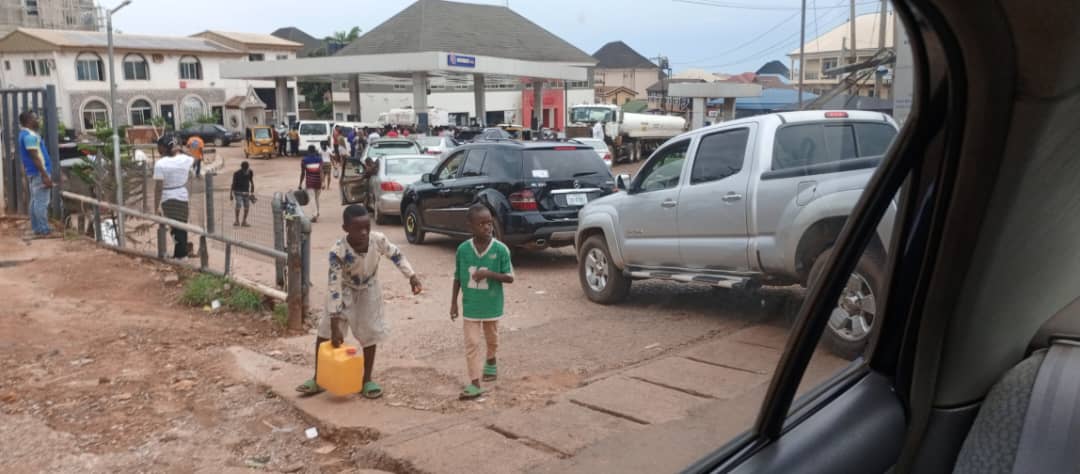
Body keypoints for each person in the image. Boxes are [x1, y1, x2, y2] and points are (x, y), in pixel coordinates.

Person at [294, 204, 423, 398]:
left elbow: (396, 255)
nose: (364, 232)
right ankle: (318, 378)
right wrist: (336, 323)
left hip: (369, 289)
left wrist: (411, 276)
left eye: (367, 227)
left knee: (369, 332)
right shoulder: (338, 251)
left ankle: (367, 380)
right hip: (344, 290)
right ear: (345, 228)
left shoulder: (377, 240)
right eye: (358, 228)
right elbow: (334, 287)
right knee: (325, 332)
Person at [450, 204, 515, 400]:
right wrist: (453, 302)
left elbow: (510, 277)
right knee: (472, 343)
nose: (487, 227)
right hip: (471, 305)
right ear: (470, 226)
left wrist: (488, 274)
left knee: (492, 338)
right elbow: (458, 277)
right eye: (482, 224)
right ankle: (475, 382)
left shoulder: (501, 249)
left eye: (489, 223)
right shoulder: (463, 250)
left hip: (492, 305)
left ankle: (491, 360)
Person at [153, 135, 195, 259]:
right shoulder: (185, 159)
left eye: (159, 147)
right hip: (182, 195)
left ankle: (181, 256)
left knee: (175, 228)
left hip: (168, 197)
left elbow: (158, 187)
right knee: (181, 225)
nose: (158, 150)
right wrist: (180, 150)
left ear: (165, 148)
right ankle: (181, 254)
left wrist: (156, 206)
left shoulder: (160, 164)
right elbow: (195, 158)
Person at [18, 110, 53, 237]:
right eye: (35, 118)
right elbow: (35, 157)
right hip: (39, 173)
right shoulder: (29, 137)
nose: (37, 120)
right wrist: (44, 175)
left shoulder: (26, 134)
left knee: (35, 200)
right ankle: (43, 230)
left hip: (35, 172)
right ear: (28, 121)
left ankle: (37, 228)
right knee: (41, 202)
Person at [299, 145, 323, 222]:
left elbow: (303, 173)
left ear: (308, 151)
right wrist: (323, 182)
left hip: (310, 182)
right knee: (316, 198)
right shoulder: (319, 159)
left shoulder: (304, 160)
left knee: (312, 198)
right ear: (315, 150)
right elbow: (321, 171)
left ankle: (314, 215)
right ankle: (317, 212)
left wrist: (300, 183)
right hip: (318, 181)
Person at [229, 161, 255, 227]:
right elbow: (233, 184)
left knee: (247, 207)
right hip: (238, 192)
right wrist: (231, 194)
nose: (246, 170)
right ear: (242, 168)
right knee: (238, 205)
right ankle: (237, 220)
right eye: (245, 169)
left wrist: (252, 193)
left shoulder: (250, 172)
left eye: (247, 168)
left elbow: (251, 182)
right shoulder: (237, 173)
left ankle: (244, 221)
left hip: (246, 193)